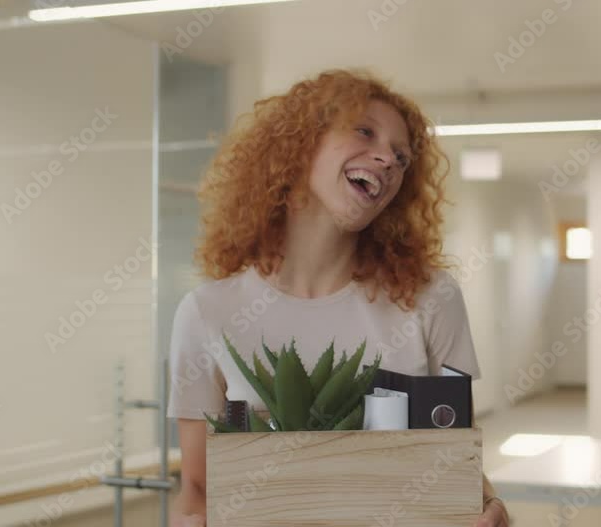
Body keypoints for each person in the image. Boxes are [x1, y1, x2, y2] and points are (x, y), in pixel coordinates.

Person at [166, 69, 509, 527]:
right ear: (301, 144)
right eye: (365, 131)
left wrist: (490, 506)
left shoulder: (431, 298)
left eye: (402, 157)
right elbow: (198, 488)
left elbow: (455, 457)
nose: (388, 158)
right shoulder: (207, 313)